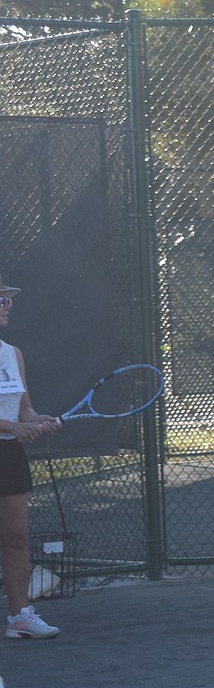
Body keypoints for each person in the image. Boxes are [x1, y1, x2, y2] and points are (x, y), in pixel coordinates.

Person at [0, 273, 62, 641]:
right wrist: (9, 426)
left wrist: (36, 421)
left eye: (7, 299)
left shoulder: (13, 355)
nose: (7, 304)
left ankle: (19, 616)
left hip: (9, 455)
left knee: (16, 537)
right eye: (0, 299)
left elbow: (25, 410)